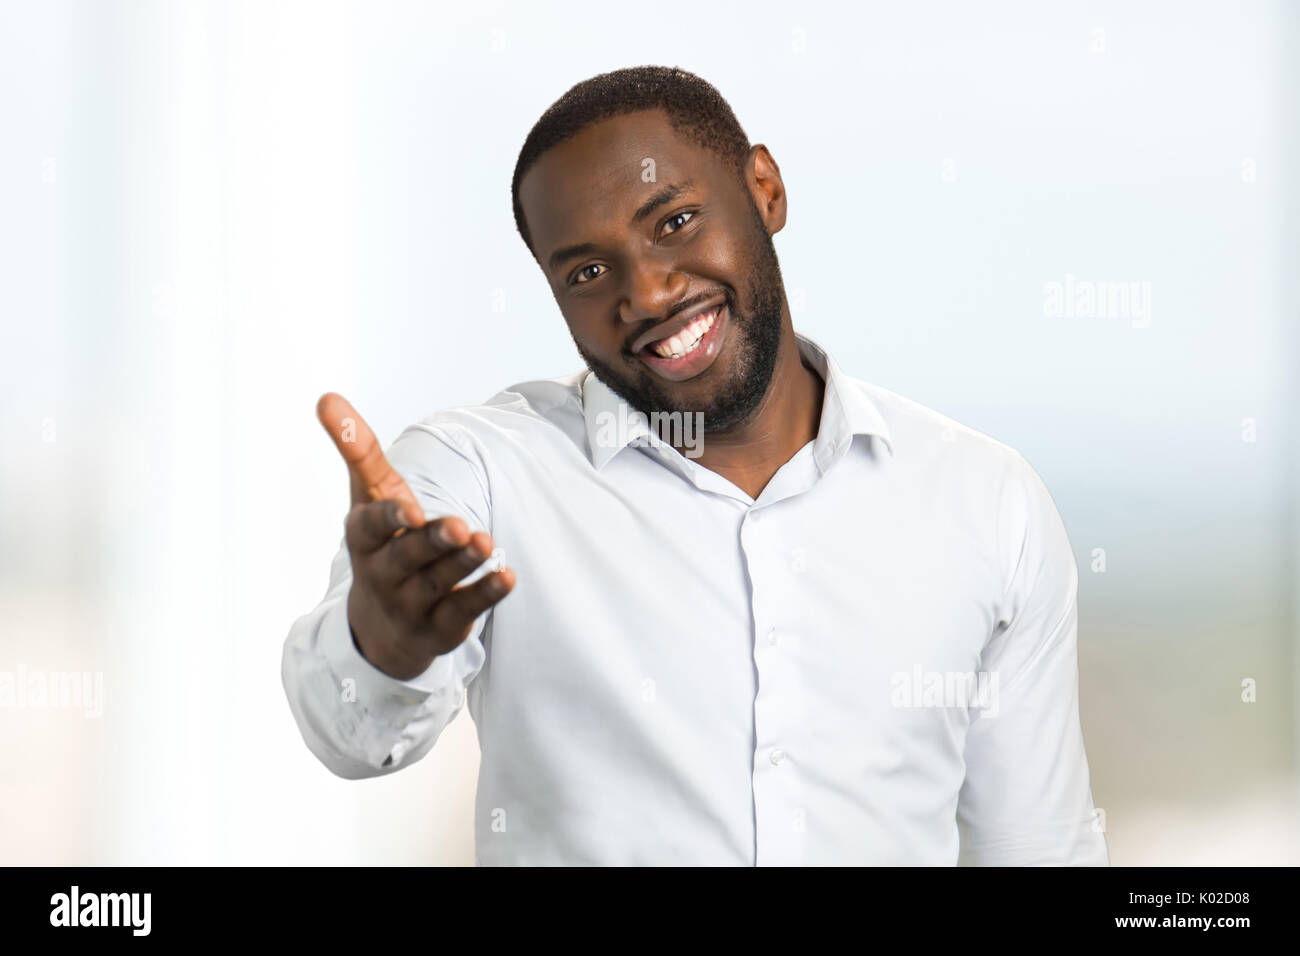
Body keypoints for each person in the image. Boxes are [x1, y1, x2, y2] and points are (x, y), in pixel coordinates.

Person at [281, 65, 1109, 866]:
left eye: (673, 221)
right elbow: (350, 734)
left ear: (765, 190)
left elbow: (1039, 848)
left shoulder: (986, 502)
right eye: (589, 271)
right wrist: (384, 644)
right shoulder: (482, 477)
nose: (646, 293)